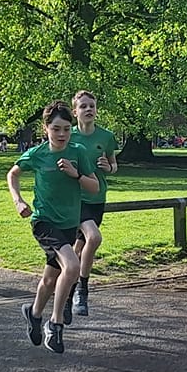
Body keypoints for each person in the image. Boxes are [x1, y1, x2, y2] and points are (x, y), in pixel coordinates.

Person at [7, 101, 99, 355]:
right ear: (45, 128)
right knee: (72, 266)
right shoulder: (37, 154)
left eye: (66, 129)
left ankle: (34, 313)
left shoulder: (78, 152)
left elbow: (94, 187)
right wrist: (18, 200)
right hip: (44, 222)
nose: (61, 134)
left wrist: (75, 174)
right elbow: (12, 174)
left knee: (50, 279)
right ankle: (55, 323)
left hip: (68, 223)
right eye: (56, 129)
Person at [64, 90, 118, 319]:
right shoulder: (68, 135)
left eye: (92, 106)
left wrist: (109, 167)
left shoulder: (107, 137)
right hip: (75, 198)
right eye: (83, 106)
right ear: (75, 111)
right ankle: (83, 289)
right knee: (94, 238)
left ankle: (66, 298)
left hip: (97, 197)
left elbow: (114, 165)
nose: (88, 109)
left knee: (79, 249)